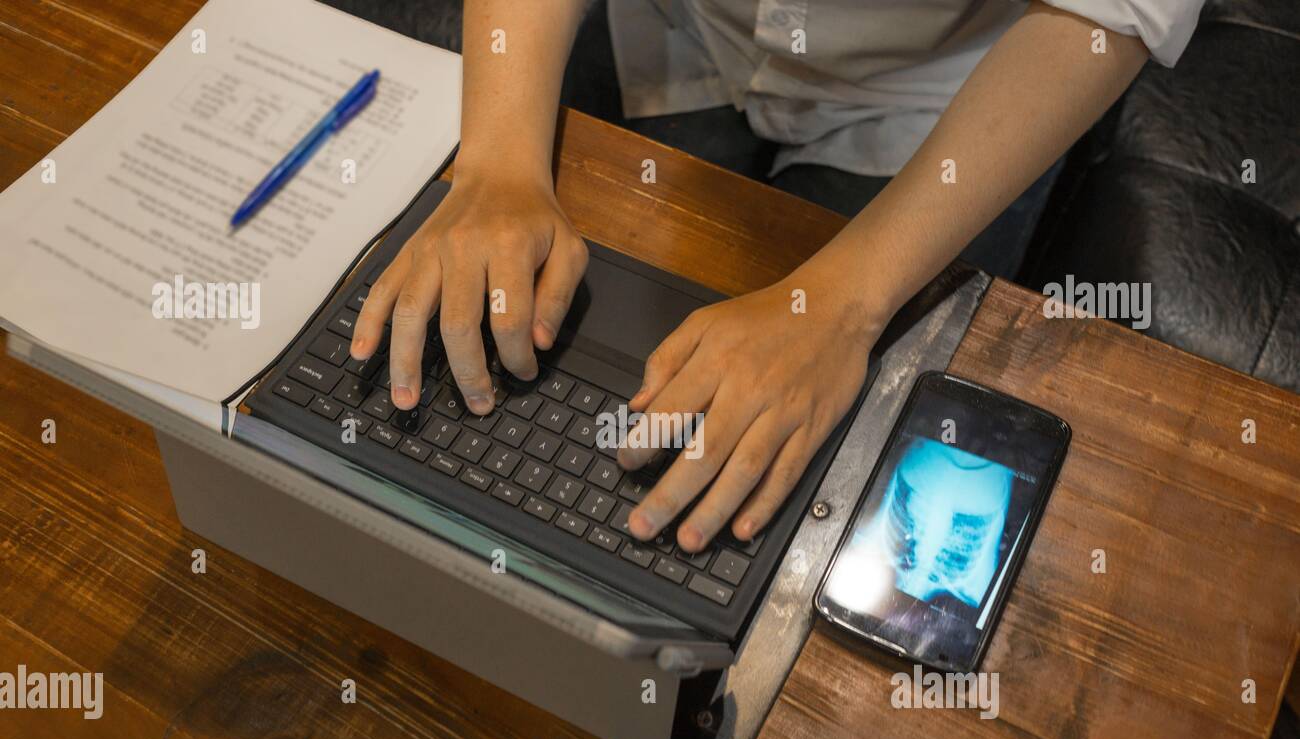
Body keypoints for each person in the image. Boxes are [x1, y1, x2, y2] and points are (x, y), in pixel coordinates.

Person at [349, 0, 1203, 554]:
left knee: (766, 492)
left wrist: (843, 309)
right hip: (678, 29)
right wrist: (497, 161)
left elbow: (1111, 12)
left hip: (932, 95)